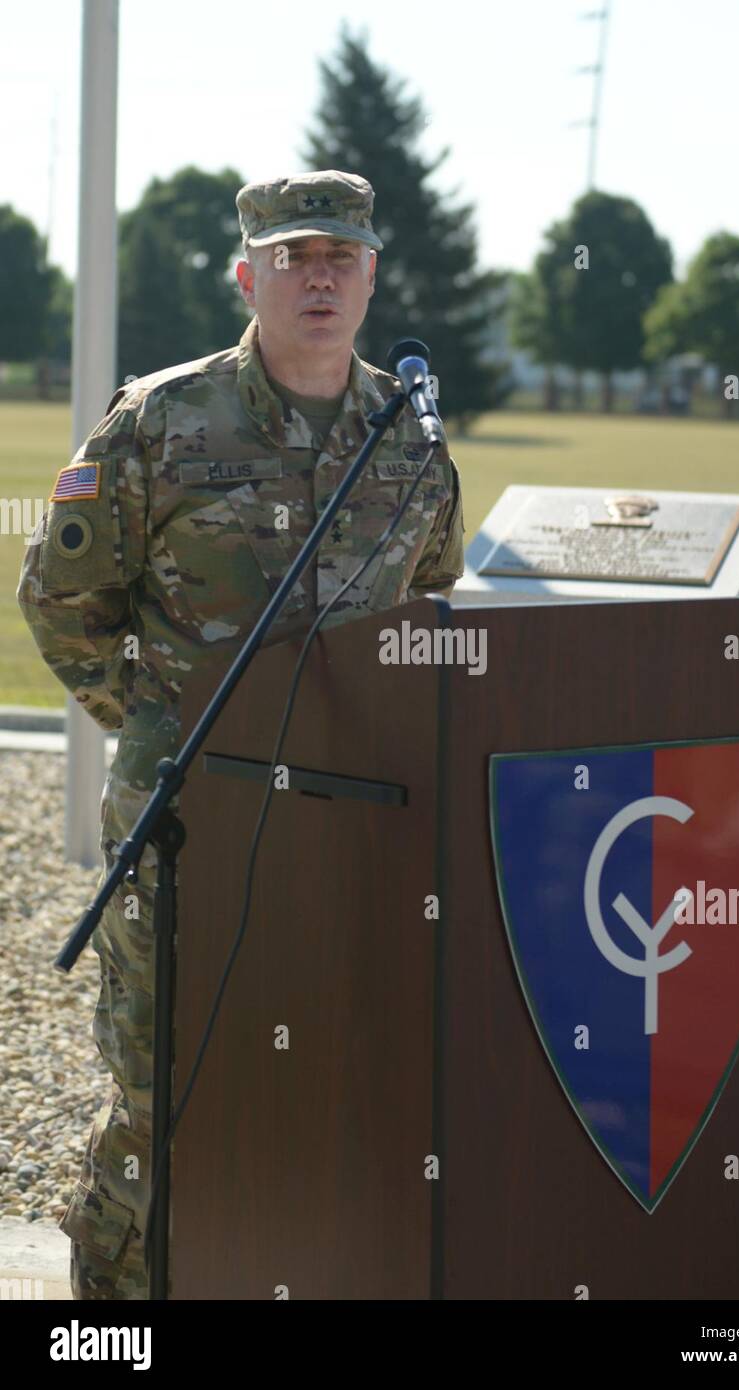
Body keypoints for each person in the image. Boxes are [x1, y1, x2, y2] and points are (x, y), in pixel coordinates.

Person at [17, 169, 465, 1300]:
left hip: (345, 825)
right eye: (293, 257)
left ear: (369, 275)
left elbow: (430, 602)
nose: (319, 276)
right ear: (246, 274)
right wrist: (160, 731)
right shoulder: (161, 419)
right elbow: (63, 603)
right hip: (186, 822)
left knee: (325, 1083)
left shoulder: (407, 436)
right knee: (166, 1087)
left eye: (341, 257)